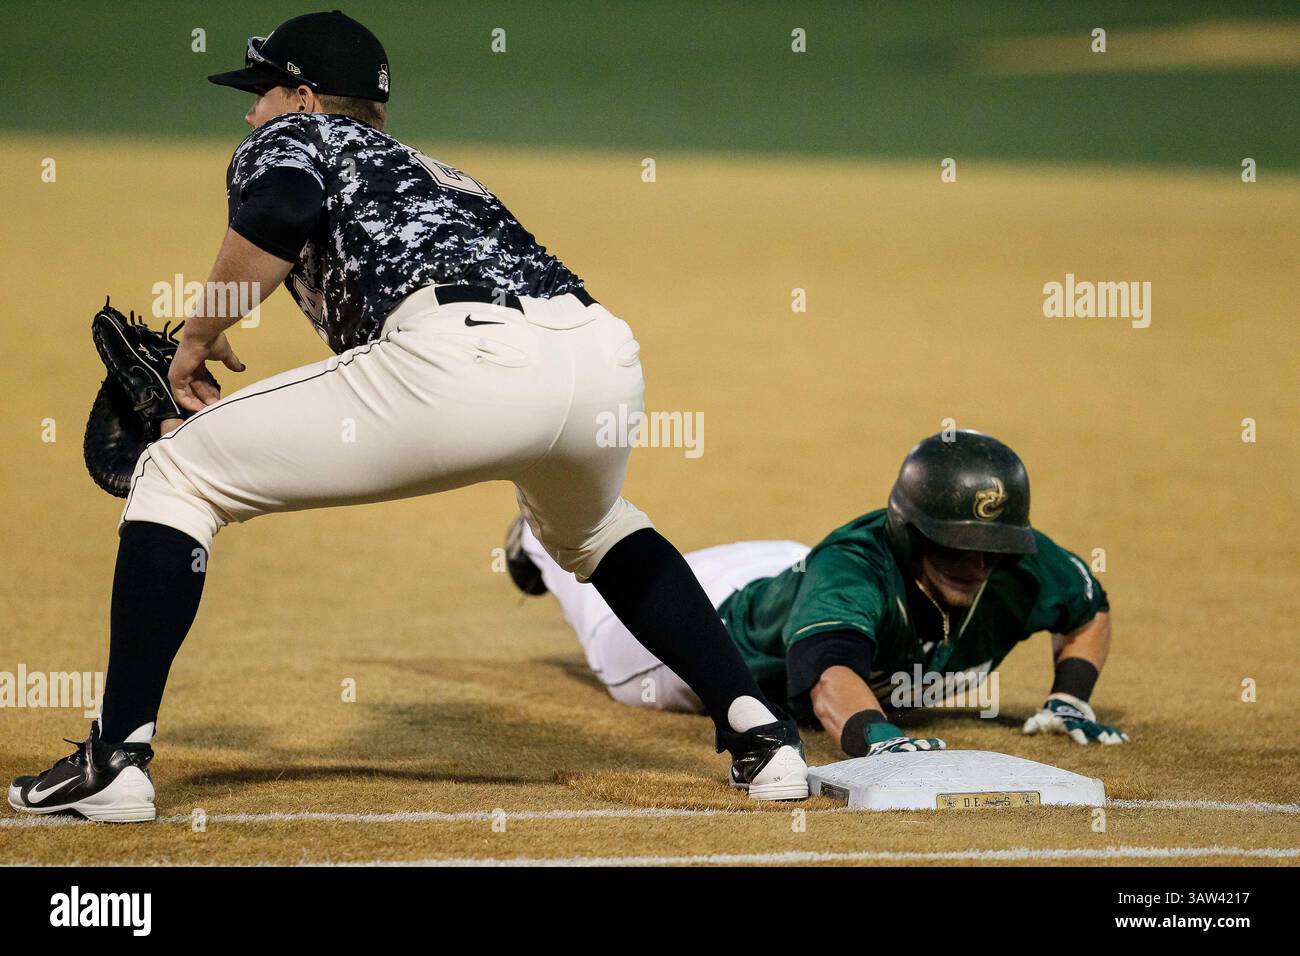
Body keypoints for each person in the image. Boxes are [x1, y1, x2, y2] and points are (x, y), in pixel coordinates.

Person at [8, 11, 807, 823]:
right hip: (599, 357)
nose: (251, 113)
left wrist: (200, 334)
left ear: (307, 96)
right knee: (595, 533)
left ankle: (116, 758)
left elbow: (280, 211)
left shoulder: (299, 139)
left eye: (263, 93)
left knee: (175, 475)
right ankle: (764, 737)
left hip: (464, 361)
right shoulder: (442, 172)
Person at [506, 430, 1129, 758]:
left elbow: (1087, 607)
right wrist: (881, 742)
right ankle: (536, 537)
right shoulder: (856, 572)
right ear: (908, 533)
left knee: (820, 583)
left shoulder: (1022, 564)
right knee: (592, 582)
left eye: (991, 546)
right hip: (698, 632)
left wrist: (1070, 700)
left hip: (792, 572)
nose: (975, 562)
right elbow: (829, 679)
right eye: (951, 543)